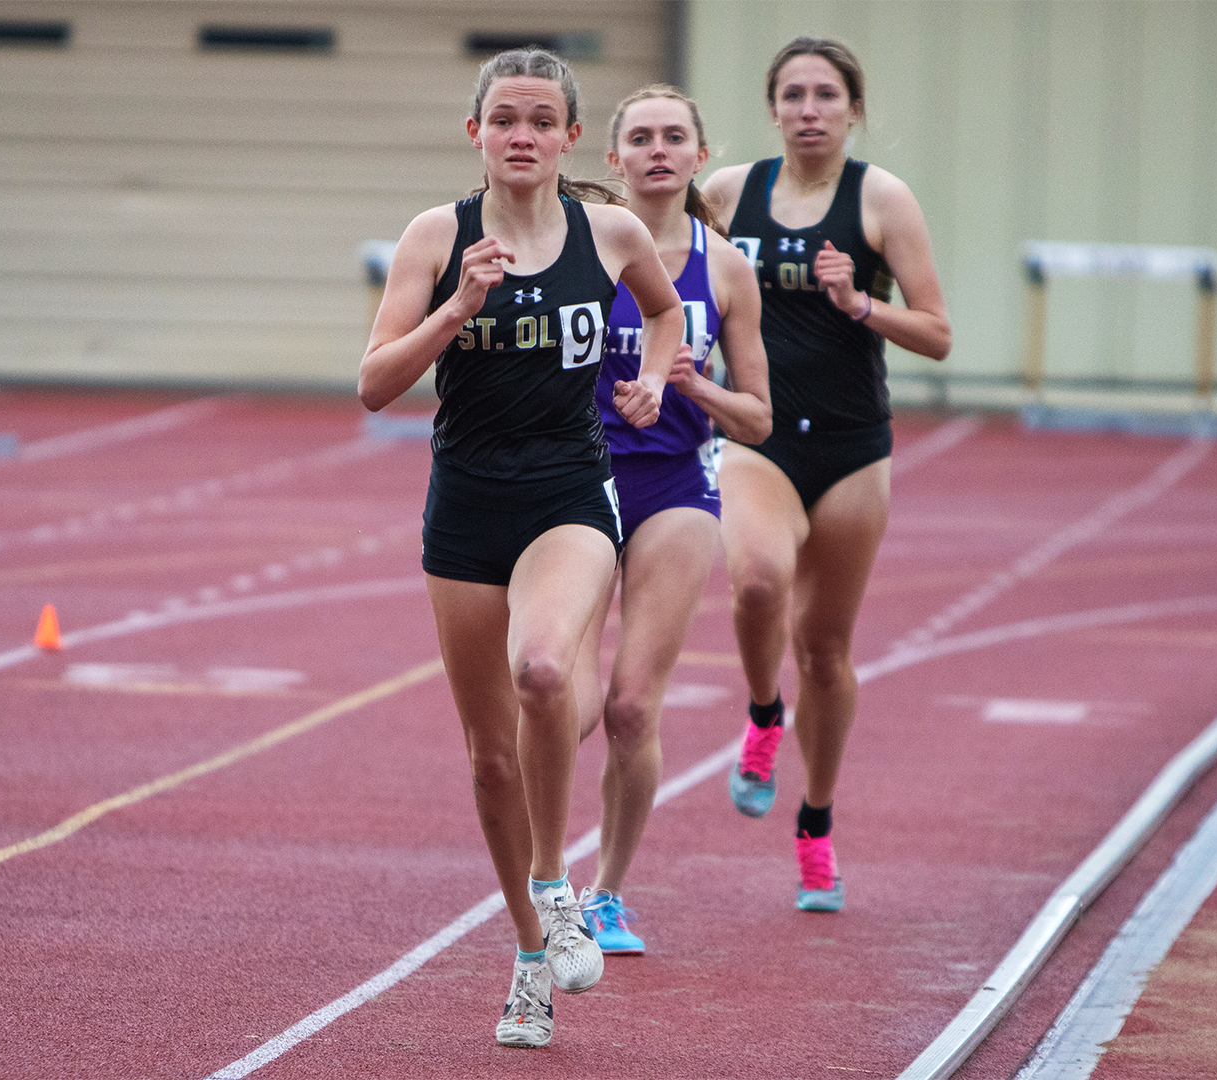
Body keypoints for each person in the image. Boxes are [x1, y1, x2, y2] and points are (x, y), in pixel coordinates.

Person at [358, 48, 684, 1049]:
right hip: (465, 506)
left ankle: (556, 885)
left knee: (544, 669)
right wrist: (457, 307)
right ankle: (531, 956)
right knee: (490, 756)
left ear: (570, 138)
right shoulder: (436, 236)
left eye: (542, 120)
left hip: (569, 494)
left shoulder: (610, 231)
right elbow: (374, 384)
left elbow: (665, 309)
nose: (523, 136)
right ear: (476, 134)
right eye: (505, 119)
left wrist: (653, 380)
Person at [701, 37, 952, 913]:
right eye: (794, 95)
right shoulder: (729, 193)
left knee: (825, 649)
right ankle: (764, 714)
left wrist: (860, 303)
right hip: (758, 435)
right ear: (772, 108)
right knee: (756, 580)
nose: (809, 110)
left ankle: (815, 825)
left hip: (851, 447)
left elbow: (937, 333)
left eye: (826, 95)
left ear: (854, 109)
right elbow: (659, 264)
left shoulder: (881, 199)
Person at [569, 86, 771, 956]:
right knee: (567, 702)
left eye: (674, 137)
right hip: (576, 481)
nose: (658, 150)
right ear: (613, 158)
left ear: (699, 155)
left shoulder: (724, 269)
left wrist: (693, 385)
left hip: (675, 486)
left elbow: (758, 417)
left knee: (629, 707)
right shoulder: (580, 243)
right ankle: (538, 870)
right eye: (642, 138)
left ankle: (606, 894)